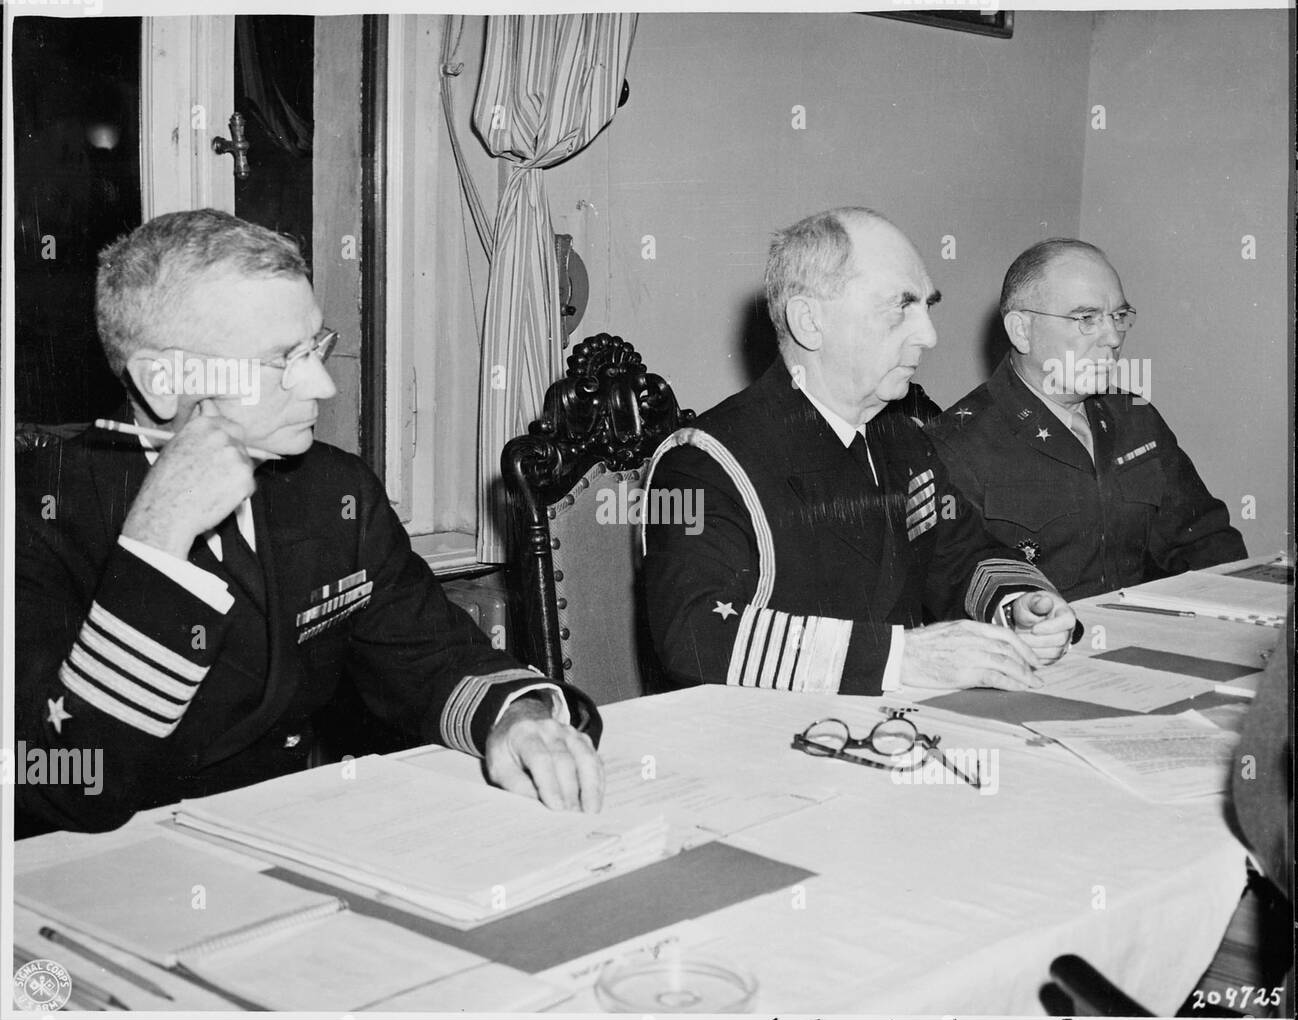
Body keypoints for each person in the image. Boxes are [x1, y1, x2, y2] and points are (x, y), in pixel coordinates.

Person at [15, 209, 603, 836]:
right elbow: (70, 786)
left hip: (287, 844)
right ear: (162, 382)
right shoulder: (34, 513)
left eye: (315, 346)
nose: (321, 385)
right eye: (281, 360)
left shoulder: (332, 491)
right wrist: (157, 538)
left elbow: (430, 658)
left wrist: (514, 717)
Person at [641, 207, 1078, 696]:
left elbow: (960, 553)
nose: (928, 335)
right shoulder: (702, 462)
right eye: (900, 306)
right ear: (810, 322)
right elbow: (694, 632)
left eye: (927, 307)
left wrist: (1017, 603)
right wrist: (902, 658)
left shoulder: (902, 439)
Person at [926, 239, 1246, 601]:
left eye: (1118, 317)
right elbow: (952, 589)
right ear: (1021, 330)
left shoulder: (1135, 417)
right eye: (1086, 318)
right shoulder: (955, 446)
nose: (1112, 338)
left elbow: (1204, 539)